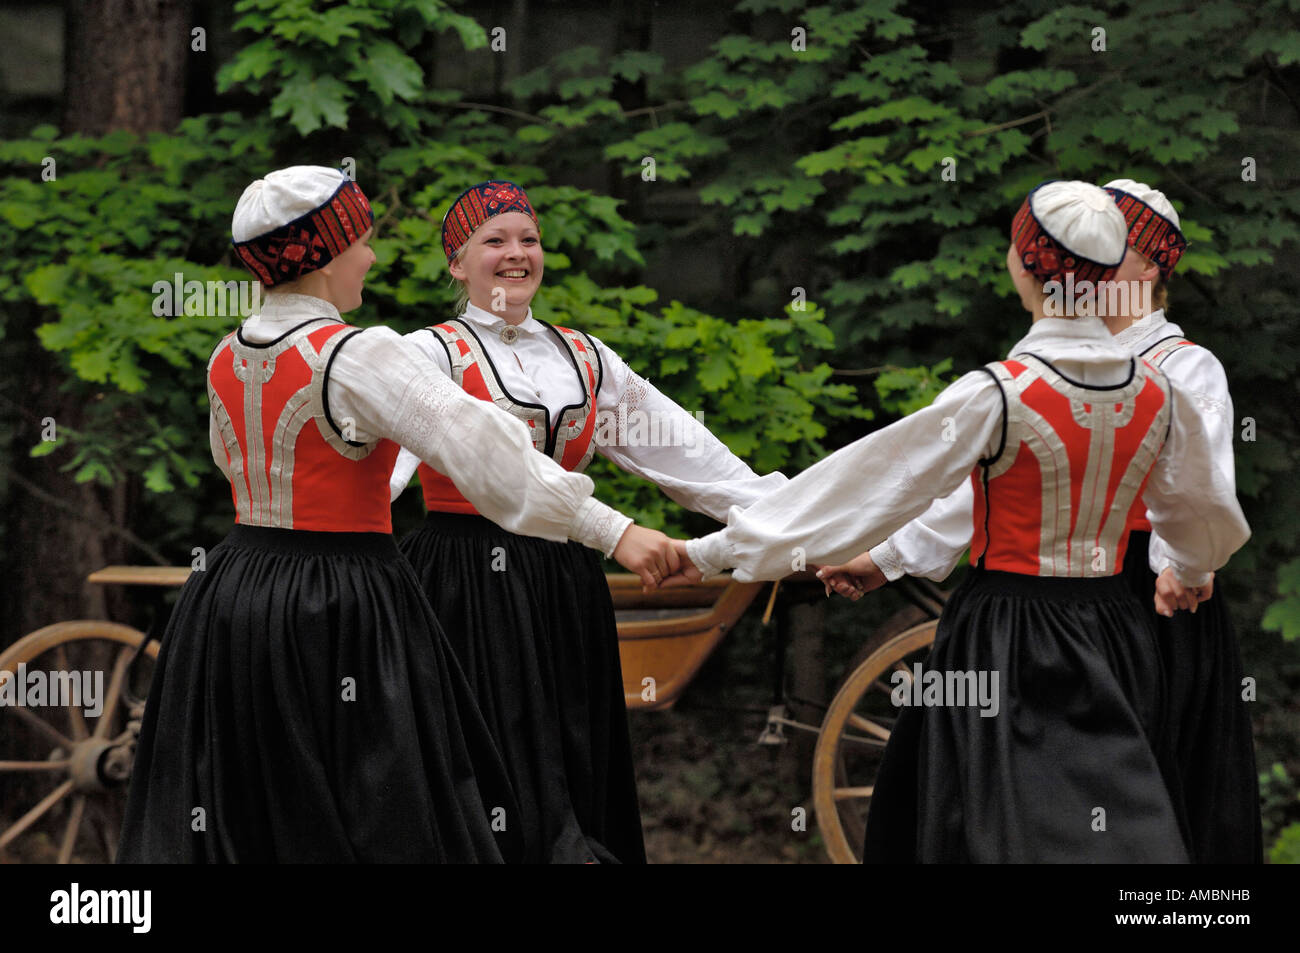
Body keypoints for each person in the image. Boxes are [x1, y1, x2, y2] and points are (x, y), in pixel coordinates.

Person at [665, 181, 1250, 862]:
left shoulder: (1003, 390)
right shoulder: (1157, 391)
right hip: (1117, 628)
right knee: (1112, 822)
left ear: (1025, 265)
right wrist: (1192, 564)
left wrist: (715, 551)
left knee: (986, 823)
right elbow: (1204, 510)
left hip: (1008, 627)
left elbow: (862, 487)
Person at [118, 166, 677, 863]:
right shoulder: (359, 355)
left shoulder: (225, 355)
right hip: (343, 602)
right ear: (322, 255)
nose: (372, 257)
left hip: (232, 601)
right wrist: (612, 529)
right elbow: (485, 453)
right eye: (360, 241)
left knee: (253, 809)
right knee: (389, 812)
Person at [388, 180, 788, 863]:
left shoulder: (584, 358)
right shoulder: (430, 355)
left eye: (529, 239)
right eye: (495, 241)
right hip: (462, 583)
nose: (516, 253)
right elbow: (381, 478)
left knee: (568, 753)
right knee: (489, 768)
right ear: (457, 263)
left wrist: (792, 522)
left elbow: (693, 460)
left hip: (563, 581)